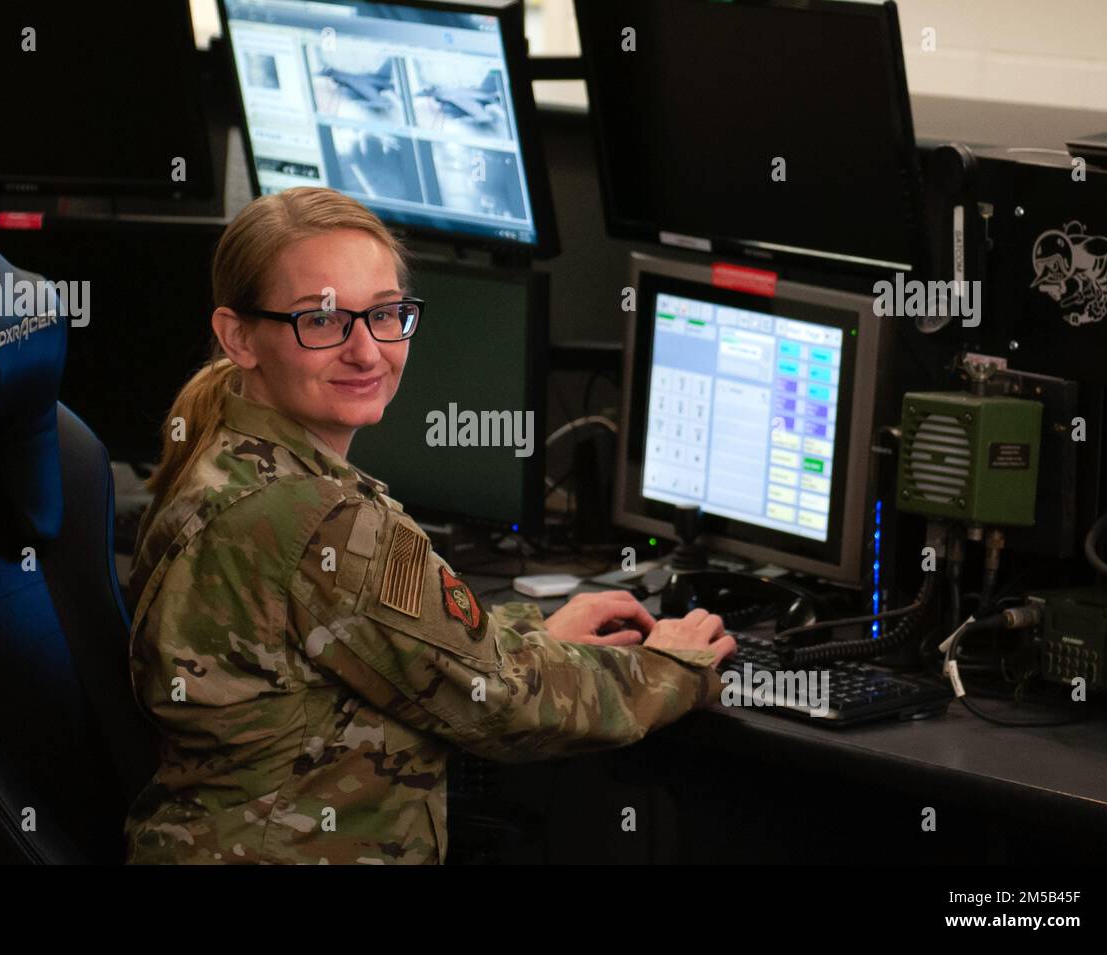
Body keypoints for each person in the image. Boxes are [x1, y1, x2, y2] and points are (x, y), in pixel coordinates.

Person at [124, 186, 735, 864]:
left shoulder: (222, 453)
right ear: (239, 336)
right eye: (322, 321)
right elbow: (503, 707)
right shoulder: (321, 519)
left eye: (386, 314)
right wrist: (672, 664)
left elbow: (384, 641)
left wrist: (530, 634)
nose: (367, 352)